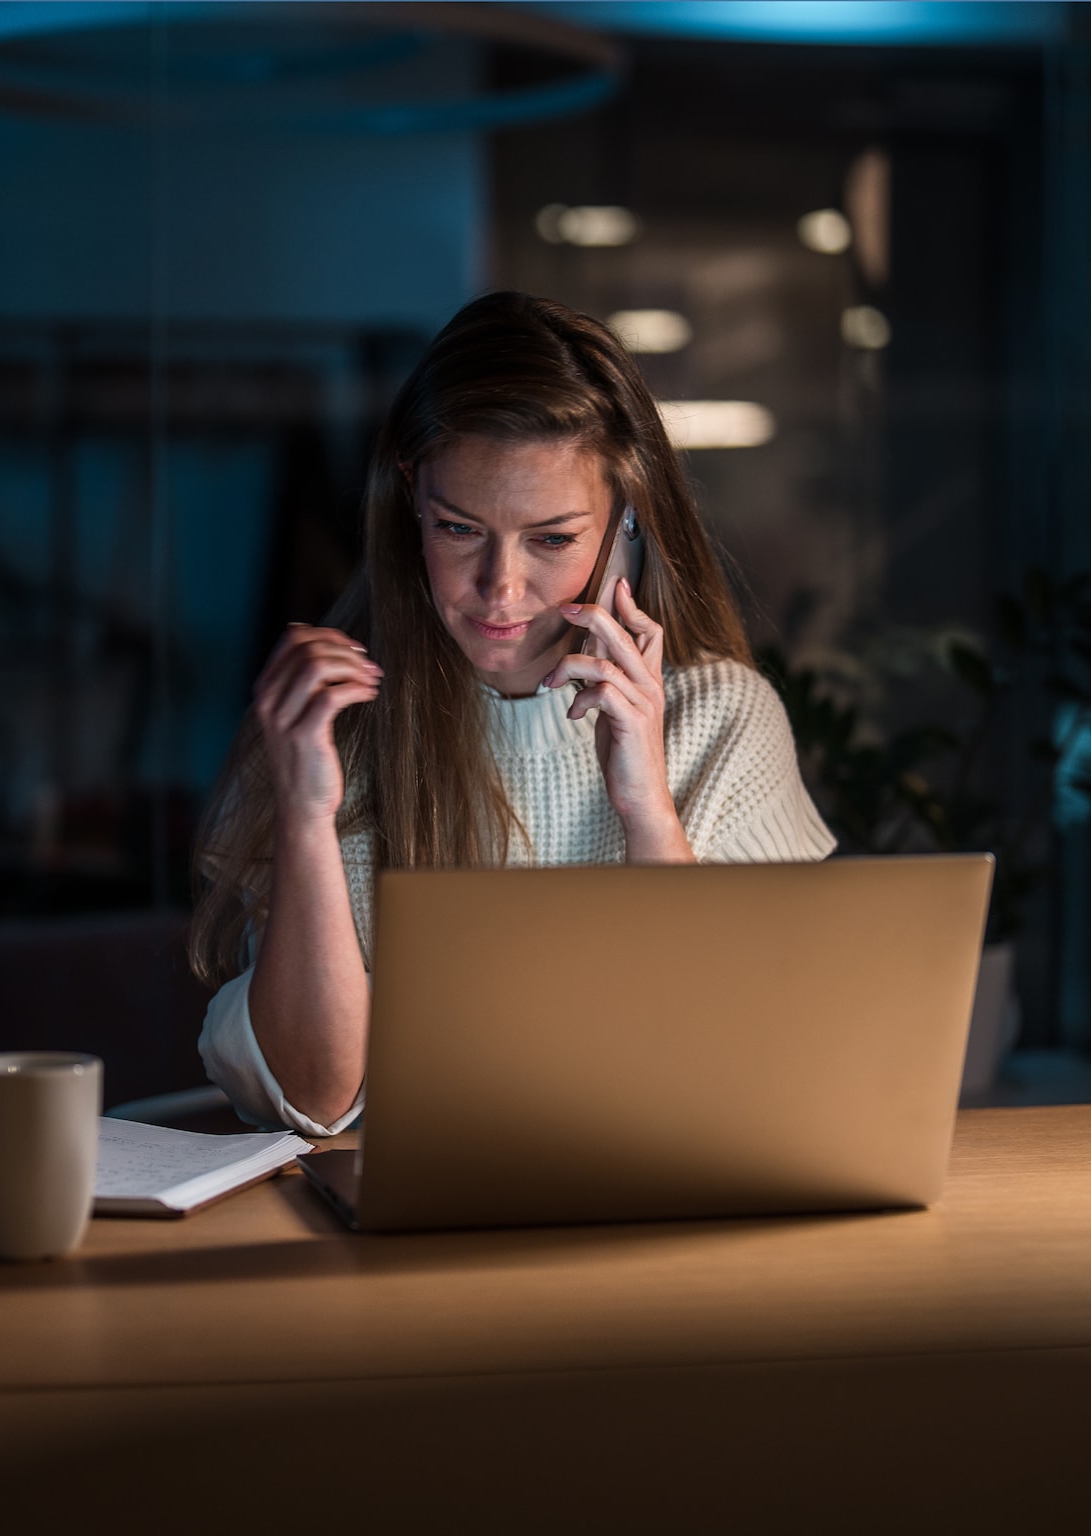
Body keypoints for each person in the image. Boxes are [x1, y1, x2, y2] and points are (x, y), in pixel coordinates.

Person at [189, 291, 835, 1135]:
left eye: (552, 539)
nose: (500, 589)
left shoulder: (723, 719)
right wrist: (307, 815)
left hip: (658, 1193)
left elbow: (740, 1058)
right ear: (412, 501)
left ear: (628, 523)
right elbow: (316, 1096)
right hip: (411, 1206)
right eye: (460, 530)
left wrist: (646, 808)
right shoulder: (322, 726)